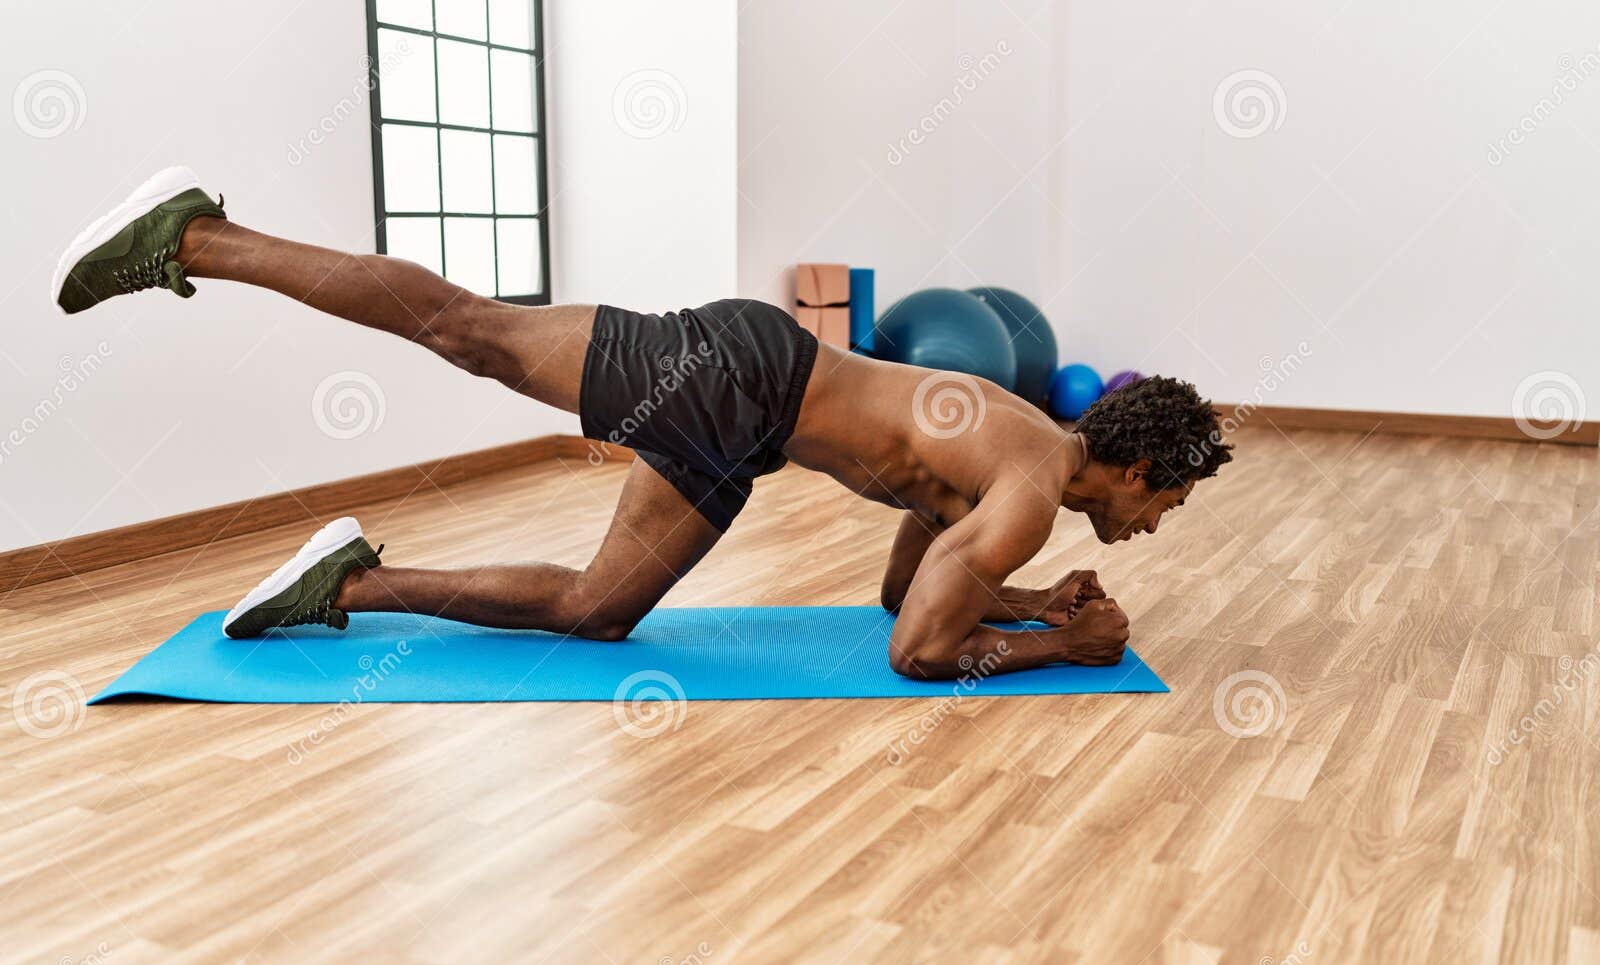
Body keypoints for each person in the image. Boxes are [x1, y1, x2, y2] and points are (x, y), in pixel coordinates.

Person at [54, 167, 1233, 679]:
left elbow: (901, 592)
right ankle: (197, 235)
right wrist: (1062, 647)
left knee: (596, 610)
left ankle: (347, 582)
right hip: (736, 375)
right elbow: (919, 652)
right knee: (470, 330)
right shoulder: (1029, 487)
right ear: (1134, 464)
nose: (1154, 524)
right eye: (1166, 502)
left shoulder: (1018, 462)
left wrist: (1027, 602)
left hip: (742, 428)